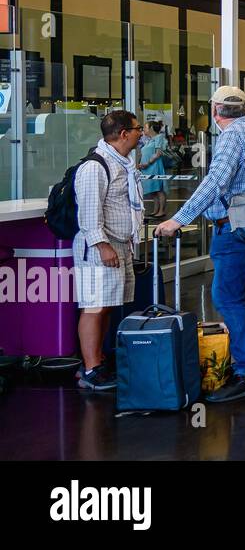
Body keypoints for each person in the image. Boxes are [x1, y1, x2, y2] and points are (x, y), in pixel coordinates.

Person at [156, 86, 245, 403]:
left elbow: (215, 183)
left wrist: (179, 219)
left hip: (233, 227)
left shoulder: (231, 137)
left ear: (215, 111)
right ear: (243, 108)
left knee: (227, 297)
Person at [72, 110, 146, 392]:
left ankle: (98, 361)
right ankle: (91, 369)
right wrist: (102, 246)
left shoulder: (122, 163)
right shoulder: (95, 166)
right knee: (94, 307)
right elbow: (89, 214)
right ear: (124, 133)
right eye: (137, 129)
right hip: (101, 248)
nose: (142, 133)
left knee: (105, 307)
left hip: (118, 245)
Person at [138, 120, 169, 218]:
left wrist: (148, 163)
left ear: (151, 128)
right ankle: (156, 210)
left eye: (145, 127)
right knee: (153, 191)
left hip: (154, 166)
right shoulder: (149, 140)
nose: (144, 129)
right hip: (147, 167)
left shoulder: (158, 137)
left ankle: (161, 211)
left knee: (159, 190)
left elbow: (158, 153)